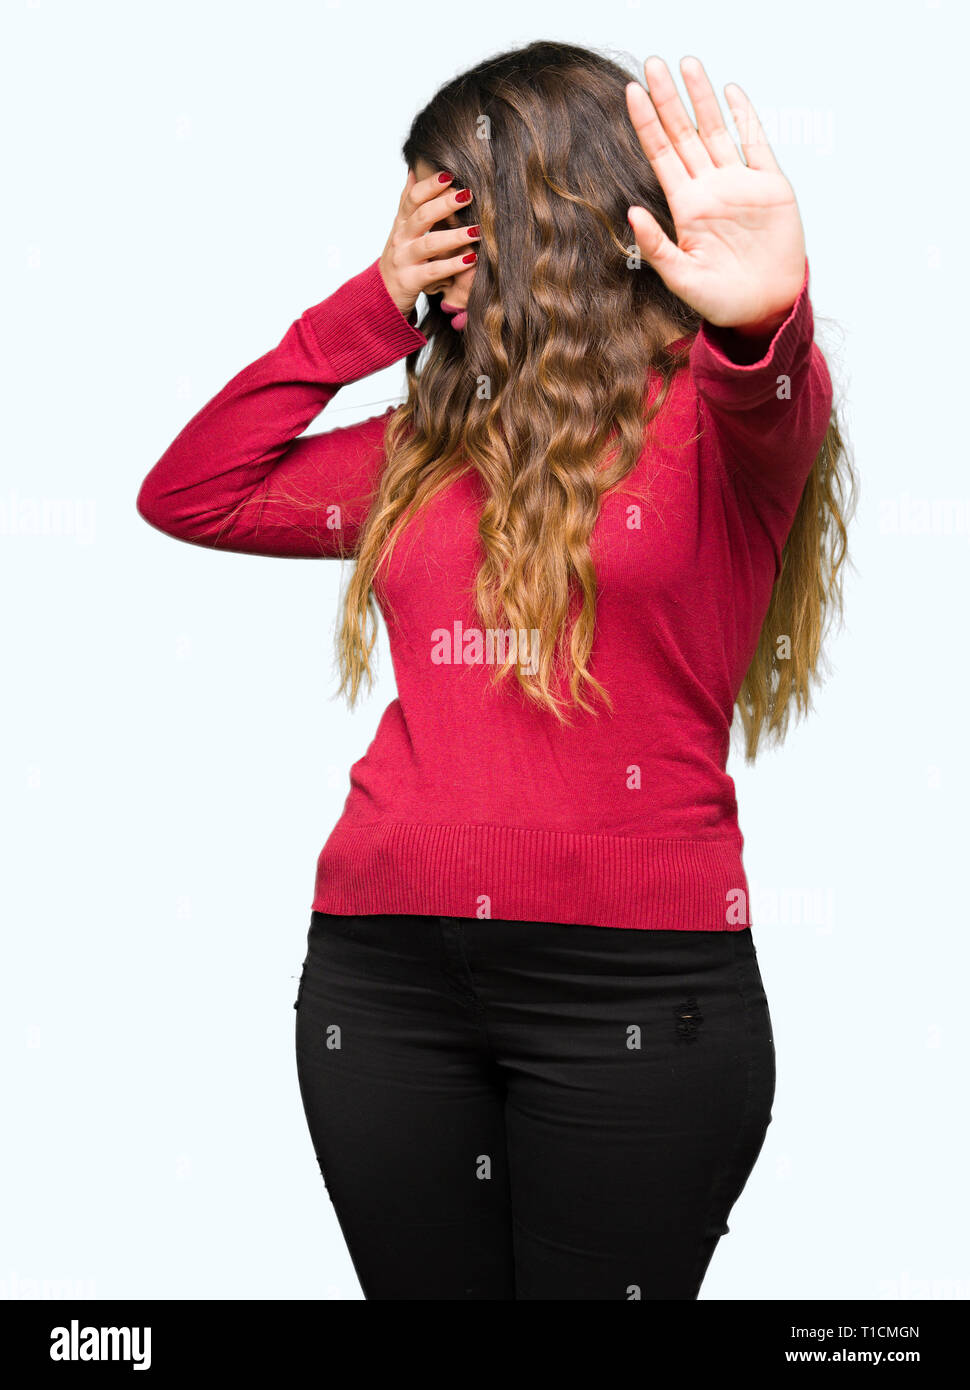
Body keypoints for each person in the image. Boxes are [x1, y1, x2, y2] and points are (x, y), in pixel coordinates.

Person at [136, 41, 854, 1300]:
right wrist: (367, 306)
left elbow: (776, 394)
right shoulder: (425, 445)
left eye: (459, 221)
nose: (435, 259)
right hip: (383, 979)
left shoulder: (716, 417)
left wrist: (766, 317)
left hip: (632, 996)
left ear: (557, 225)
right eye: (419, 225)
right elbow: (193, 491)